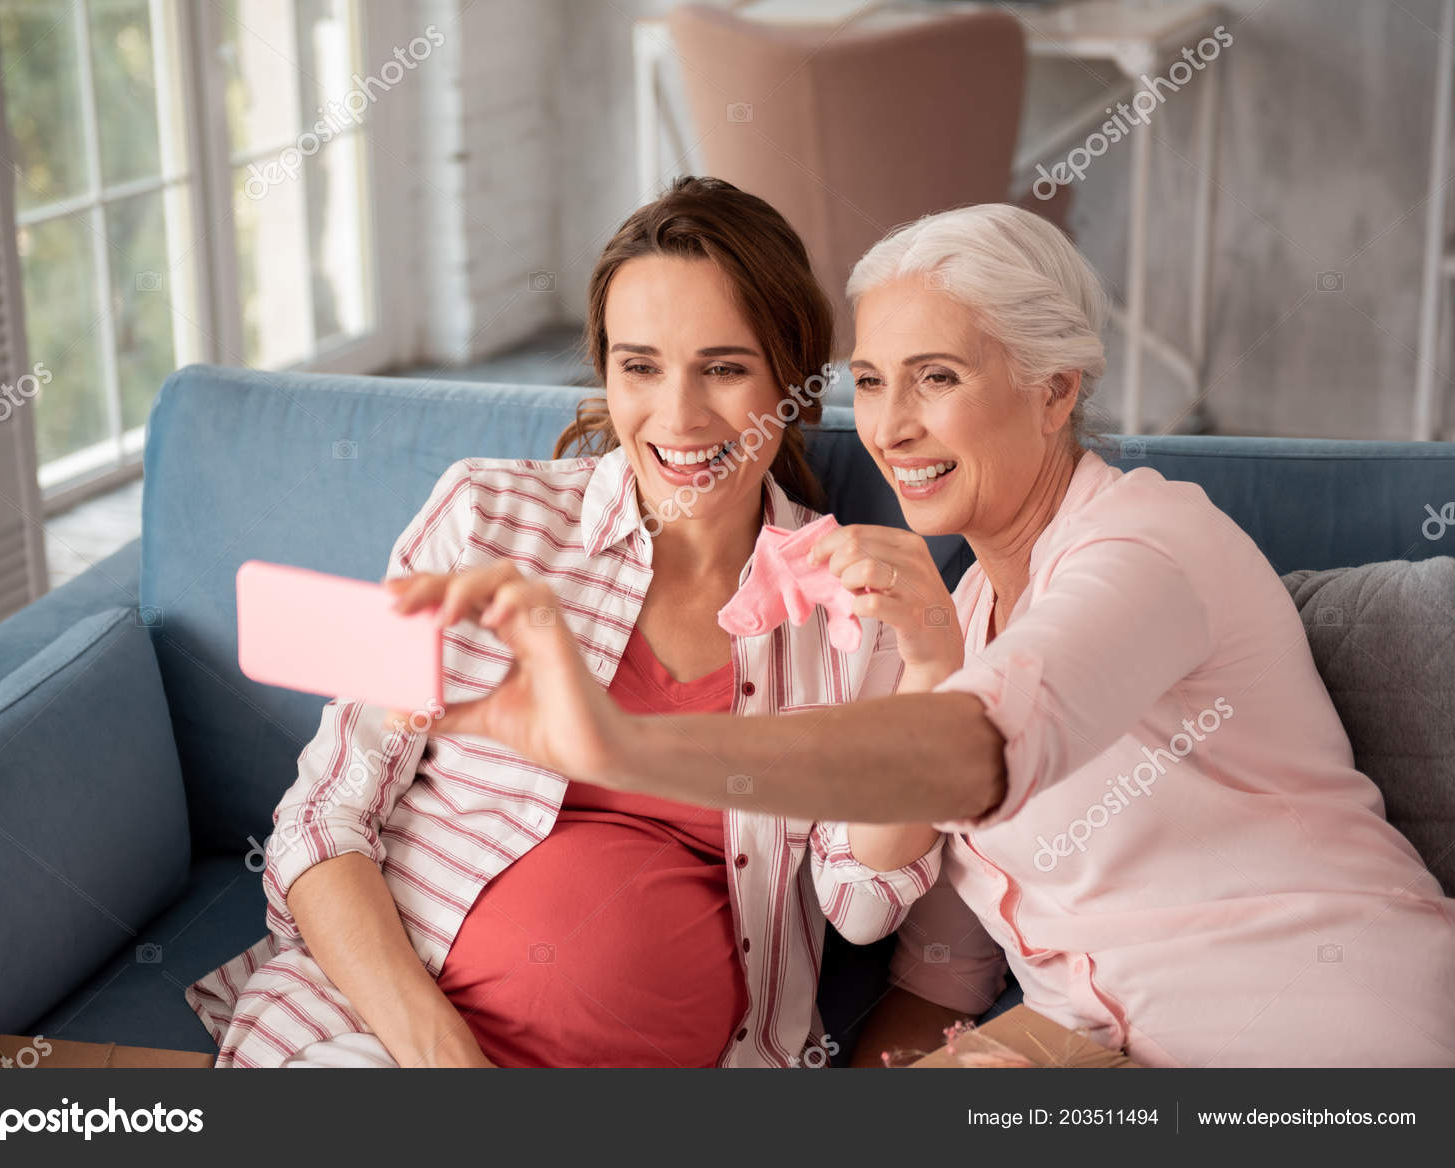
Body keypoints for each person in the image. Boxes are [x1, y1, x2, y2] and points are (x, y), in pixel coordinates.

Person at [388, 203, 1455, 1068]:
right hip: (1089, 1040)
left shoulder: (1149, 547)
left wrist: (620, 746)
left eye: (936, 378)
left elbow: (985, 744)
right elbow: (937, 970)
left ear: (1054, 391)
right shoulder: (954, 621)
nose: (890, 426)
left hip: (1317, 1025)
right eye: (869, 381)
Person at [184, 176, 959, 1069]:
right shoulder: (481, 520)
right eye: (640, 366)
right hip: (385, 1041)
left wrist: (930, 676)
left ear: (791, 379)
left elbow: (863, 905)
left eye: (723, 367)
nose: (678, 415)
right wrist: (446, 1063)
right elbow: (322, 822)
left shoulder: (845, 616)